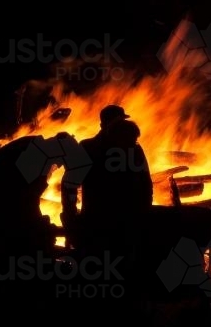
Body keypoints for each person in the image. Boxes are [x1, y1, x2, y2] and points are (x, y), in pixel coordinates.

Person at [62, 105, 153, 264]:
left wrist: (71, 215)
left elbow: (145, 184)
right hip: (110, 224)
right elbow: (145, 185)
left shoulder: (91, 147)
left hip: (107, 223)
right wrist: (71, 217)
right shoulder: (91, 148)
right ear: (105, 125)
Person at [0, 135, 58, 268]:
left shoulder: (26, 145)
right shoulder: (35, 156)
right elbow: (25, 202)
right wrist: (42, 226)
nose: (56, 168)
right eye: (58, 163)